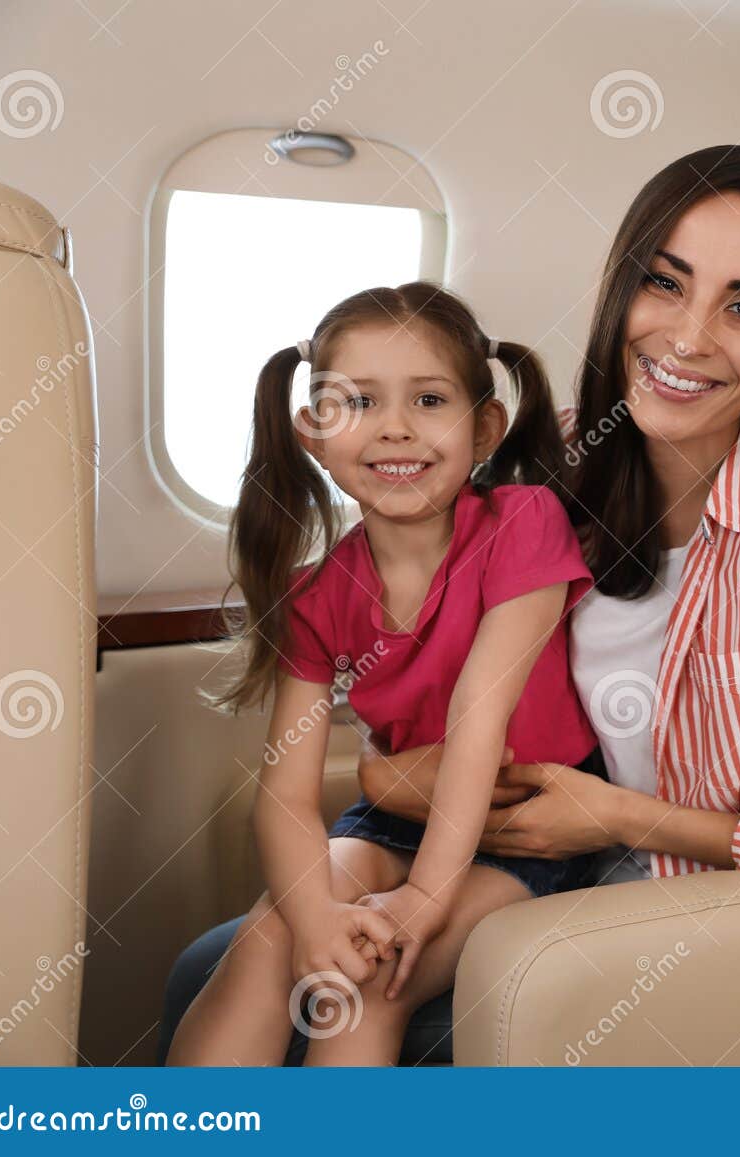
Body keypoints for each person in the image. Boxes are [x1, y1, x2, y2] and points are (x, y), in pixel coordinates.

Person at [159, 145, 740, 1064]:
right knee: (228, 954)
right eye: (665, 284)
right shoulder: (563, 464)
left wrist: (612, 815)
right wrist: (381, 776)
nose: (688, 336)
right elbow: (426, 649)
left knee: (357, 984)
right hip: (505, 832)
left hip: (681, 898)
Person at [166, 284, 598, 1066]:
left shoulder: (523, 523)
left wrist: (424, 897)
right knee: (273, 936)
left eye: (429, 399)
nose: (395, 426)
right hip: (388, 821)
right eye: (359, 401)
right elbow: (288, 796)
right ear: (313, 433)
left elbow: (477, 724)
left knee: (365, 982)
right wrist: (312, 918)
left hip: (524, 837)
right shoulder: (317, 591)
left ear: (485, 427)